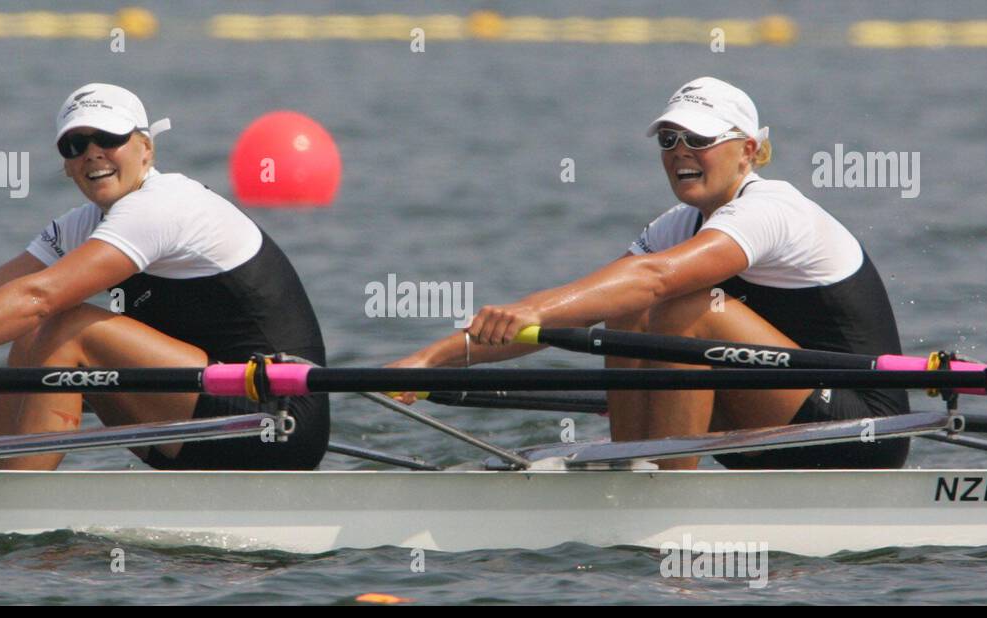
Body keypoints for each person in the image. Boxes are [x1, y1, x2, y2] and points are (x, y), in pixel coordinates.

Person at [0, 83, 330, 471]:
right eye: (75, 145)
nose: (92, 152)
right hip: (199, 420)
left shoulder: (164, 206)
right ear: (66, 164)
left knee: (65, 325)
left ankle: (11, 499)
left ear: (146, 148)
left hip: (273, 421)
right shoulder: (85, 224)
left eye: (108, 138)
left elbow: (37, 297)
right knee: (31, 327)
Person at [389, 76, 909, 470]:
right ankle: (636, 468)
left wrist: (531, 310)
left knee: (684, 304)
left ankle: (659, 489)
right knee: (623, 305)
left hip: (861, 432)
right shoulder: (678, 225)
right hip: (775, 423)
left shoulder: (773, 210)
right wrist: (429, 360)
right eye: (669, 141)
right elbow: (584, 310)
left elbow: (657, 279)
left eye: (698, 139)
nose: (681, 152)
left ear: (748, 150)